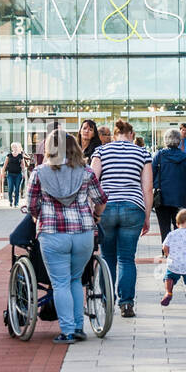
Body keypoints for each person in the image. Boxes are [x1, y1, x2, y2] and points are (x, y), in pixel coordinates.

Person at [27, 129, 106, 343]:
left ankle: (68, 330)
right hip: (83, 233)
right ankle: (79, 327)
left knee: (60, 282)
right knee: (75, 280)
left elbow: (32, 205)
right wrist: (96, 217)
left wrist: (38, 217)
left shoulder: (39, 173)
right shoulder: (86, 172)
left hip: (53, 233)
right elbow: (100, 199)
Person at [91, 119, 152, 318]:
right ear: (131, 135)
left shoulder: (101, 151)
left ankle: (107, 300)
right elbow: (147, 188)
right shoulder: (142, 153)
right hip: (133, 207)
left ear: (115, 134)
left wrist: (92, 210)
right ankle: (127, 303)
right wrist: (147, 216)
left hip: (106, 207)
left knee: (107, 258)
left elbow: (92, 179)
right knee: (127, 258)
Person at [152, 127, 186, 240]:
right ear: (179, 141)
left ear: (165, 140)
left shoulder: (159, 155)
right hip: (180, 197)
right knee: (179, 227)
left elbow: (151, 175)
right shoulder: (185, 158)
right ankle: (178, 251)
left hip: (162, 198)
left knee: (164, 227)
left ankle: (166, 251)